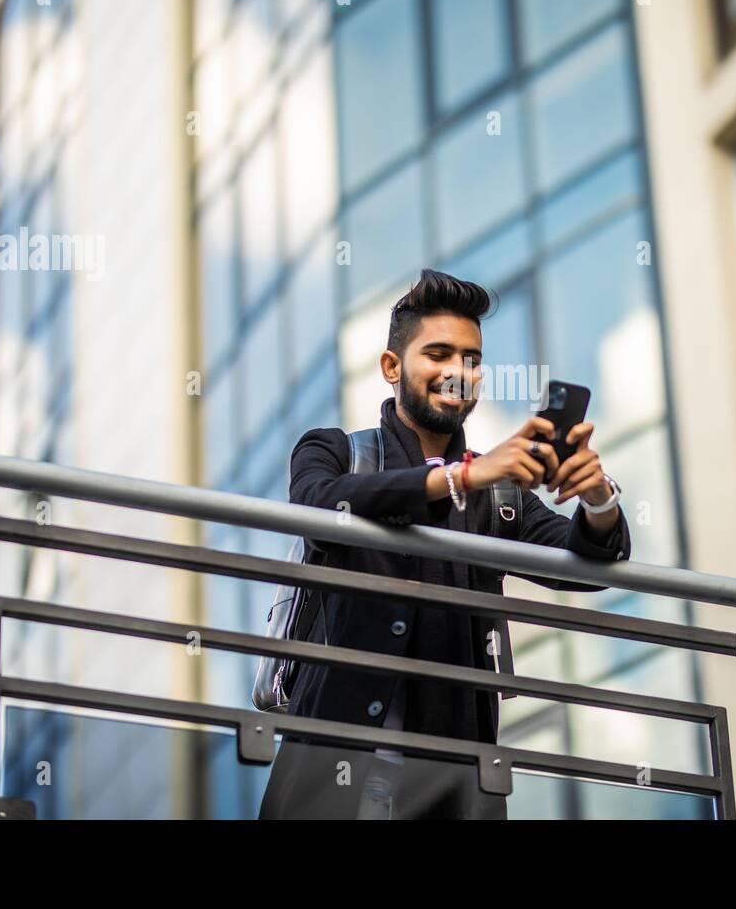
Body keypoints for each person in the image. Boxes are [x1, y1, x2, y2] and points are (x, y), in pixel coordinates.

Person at [257, 269, 631, 819]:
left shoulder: (501, 491)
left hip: (451, 789)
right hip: (330, 779)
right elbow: (318, 504)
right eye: (438, 354)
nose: (458, 372)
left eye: (472, 360)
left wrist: (597, 496)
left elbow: (585, 567)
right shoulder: (336, 450)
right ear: (391, 366)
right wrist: (459, 478)